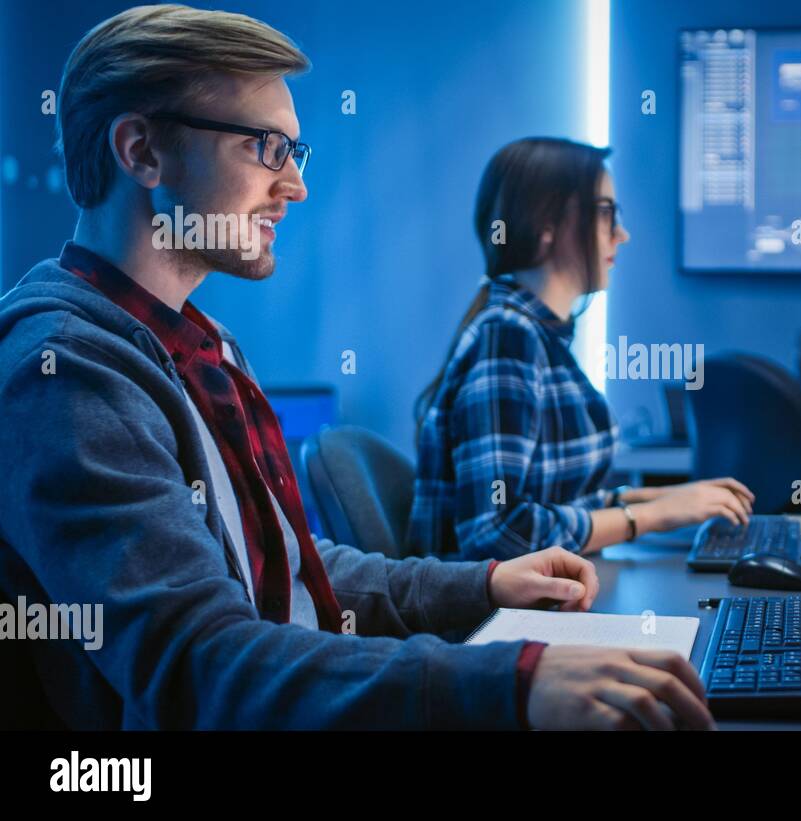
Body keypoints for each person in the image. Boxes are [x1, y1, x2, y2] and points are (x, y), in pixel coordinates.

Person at [0, 4, 712, 731]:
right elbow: (200, 663)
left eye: (293, 154)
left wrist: (486, 583)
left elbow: (289, 573)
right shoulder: (66, 373)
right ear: (142, 152)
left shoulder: (201, 342)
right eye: (265, 148)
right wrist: (514, 681)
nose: (295, 186)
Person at [408, 137, 755, 561]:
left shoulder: (537, 334)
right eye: (606, 213)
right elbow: (497, 532)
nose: (621, 235)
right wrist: (649, 517)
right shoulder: (507, 338)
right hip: (493, 622)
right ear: (546, 224)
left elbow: (558, 502)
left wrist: (667, 500)